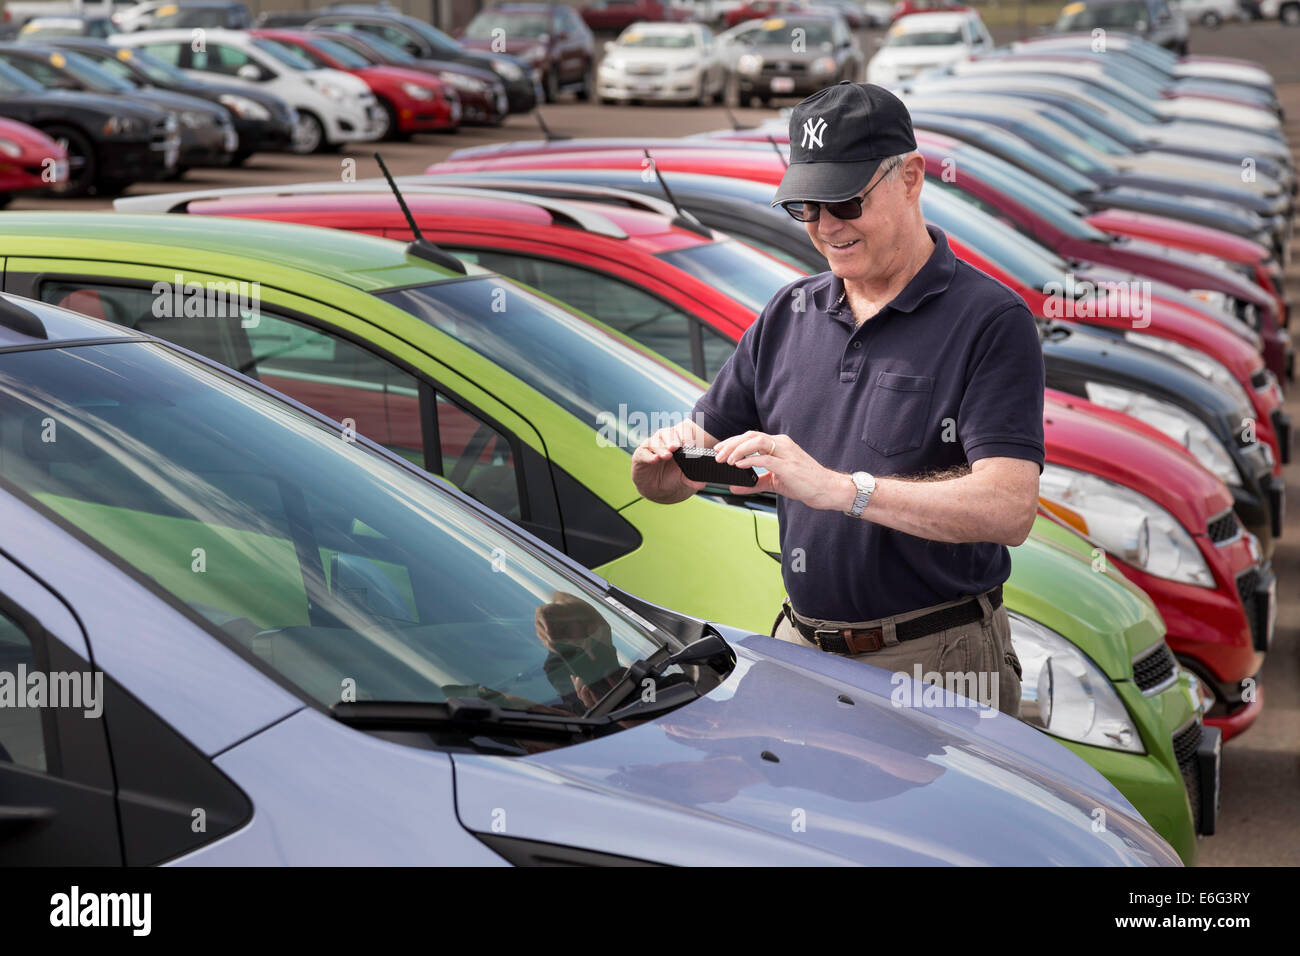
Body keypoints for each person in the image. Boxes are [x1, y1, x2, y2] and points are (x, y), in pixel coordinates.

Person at [630, 82, 1044, 717]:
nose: (825, 228)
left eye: (845, 202)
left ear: (911, 178)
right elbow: (695, 460)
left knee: (929, 823)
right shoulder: (788, 312)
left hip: (933, 663)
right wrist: (667, 471)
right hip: (801, 648)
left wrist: (842, 489)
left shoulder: (990, 319)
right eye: (806, 207)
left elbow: (1009, 508)